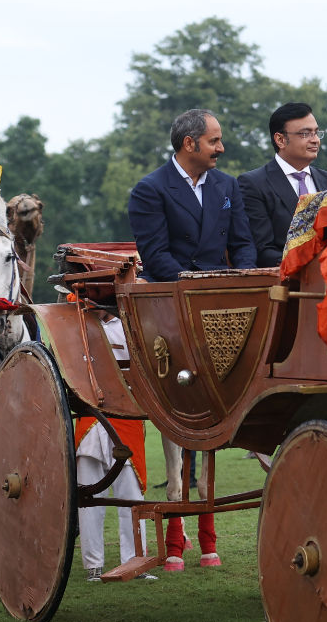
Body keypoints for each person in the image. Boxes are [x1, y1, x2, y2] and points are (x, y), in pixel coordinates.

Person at [128, 109, 257, 282]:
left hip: (222, 282)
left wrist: (246, 277)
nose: (221, 148)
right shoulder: (149, 189)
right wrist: (197, 285)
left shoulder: (228, 184)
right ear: (189, 144)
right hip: (173, 286)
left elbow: (243, 244)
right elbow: (156, 256)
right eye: (214, 141)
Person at [76, 308, 156, 581]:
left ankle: (135, 563)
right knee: (88, 498)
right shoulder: (75, 323)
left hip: (126, 419)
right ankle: (93, 566)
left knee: (131, 495)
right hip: (88, 421)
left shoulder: (130, 324)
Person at [239, 103, 327, 268]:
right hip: (285, 283)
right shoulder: (253, 184)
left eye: (316, 133)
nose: (315, 140)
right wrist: (311, 265)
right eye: (305, 134)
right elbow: (263, 249)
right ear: (280, 139)